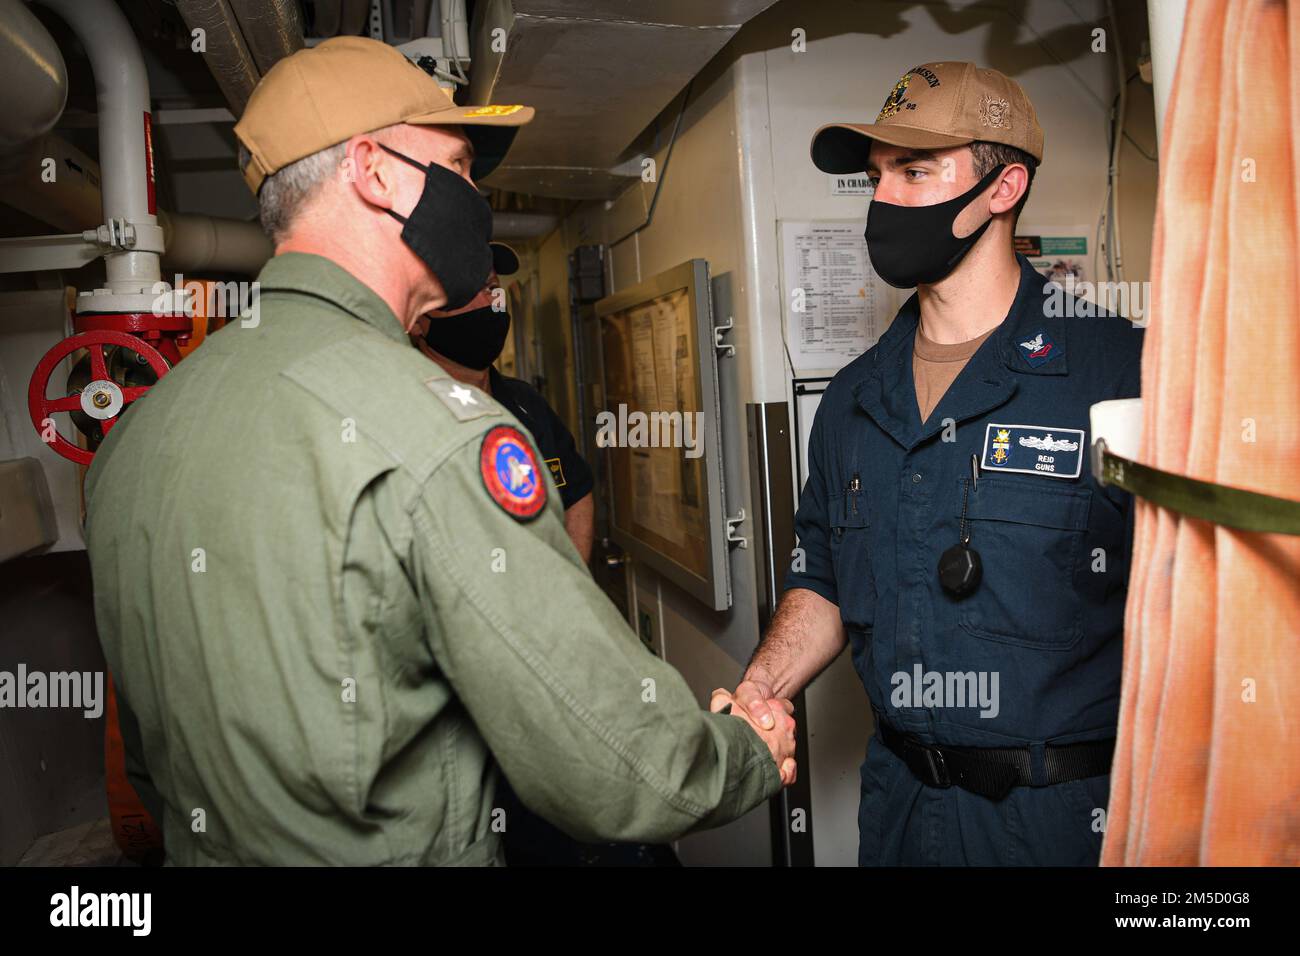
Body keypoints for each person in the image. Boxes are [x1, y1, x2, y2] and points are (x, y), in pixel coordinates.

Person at [84, 36, 795, 866]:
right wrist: (740, 749)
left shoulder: (138, 435)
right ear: (375, 173)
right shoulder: (436, 426)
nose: (472, 196)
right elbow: (619, 770)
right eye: (457, 167)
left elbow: (149, 755)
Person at [714, 61, 1144, 865]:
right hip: (904, 810)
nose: (885, 198)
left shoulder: (1121, 374)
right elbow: (823, 579)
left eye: (916, 171)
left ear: (1003, 187)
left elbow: (1208, 611)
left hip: (1065, 820)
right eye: (878, 176)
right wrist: (760, 690)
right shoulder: (853, 398)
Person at [414, 243, 595, 563]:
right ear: (417, 320)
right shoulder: (408, 409)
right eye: (467, 290)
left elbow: (576, 494)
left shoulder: (526, 403)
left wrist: (573, 584)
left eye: (491, 287)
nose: (488, 301)